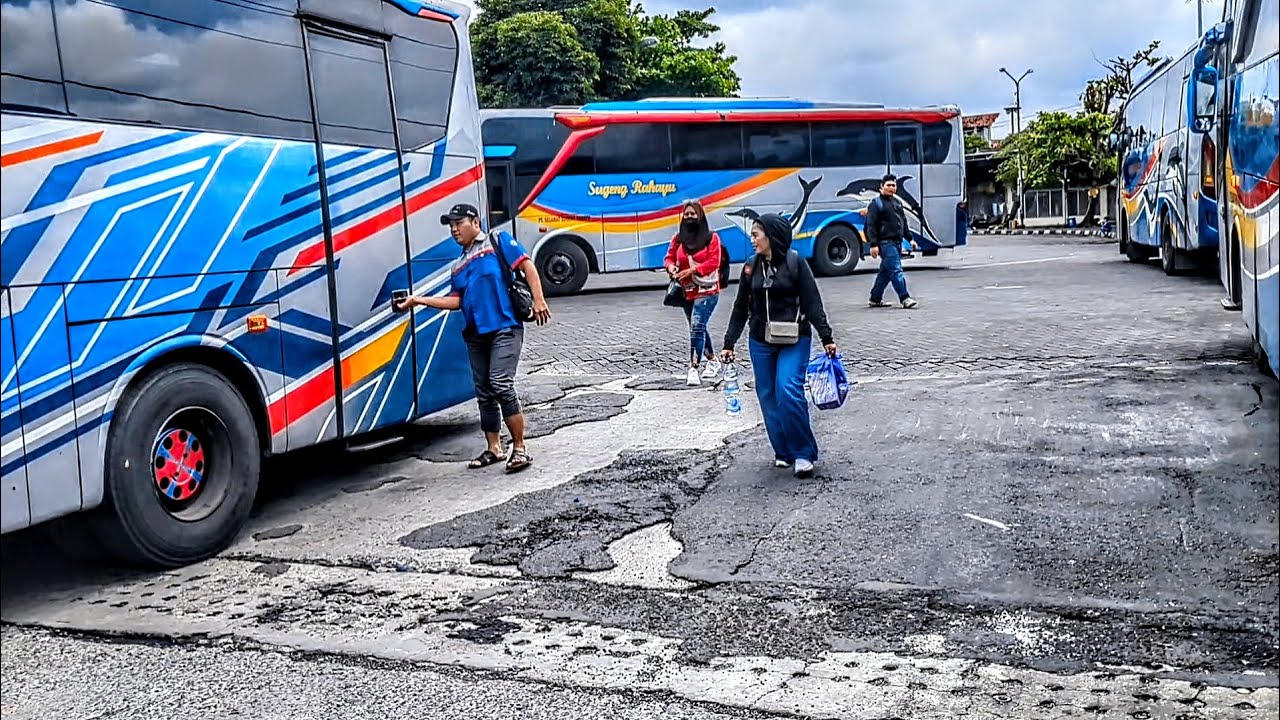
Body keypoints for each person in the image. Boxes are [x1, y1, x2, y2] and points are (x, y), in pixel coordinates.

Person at [395, 203, 551, 474]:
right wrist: (417, 299)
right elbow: (456, 301)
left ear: (475, 222)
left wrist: (539, 300)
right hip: (476, 335)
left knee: (500, 383)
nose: (454, 229)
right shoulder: (458, 265)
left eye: (459, 223)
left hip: (505, 326)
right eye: (450, 225)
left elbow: (527, 266)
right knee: (484, 393)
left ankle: (520, 447)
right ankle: (494, 448)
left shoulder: (498, 241)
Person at [721, 213, 837, 479]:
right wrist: (729, 342)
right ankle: (783, 451)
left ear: (771, 237)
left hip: (795, 338)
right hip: (760, 340)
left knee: (787, 390)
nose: (752, 240)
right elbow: (740, 307)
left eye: (756, 235)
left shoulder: (796, 263)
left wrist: (826, 337)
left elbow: (812, 303)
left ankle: (804, 452)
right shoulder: (751, 267)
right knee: (768, 396)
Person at [665, 200, 725, 386]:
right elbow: (668, 257)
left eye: (693, 214)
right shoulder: (678, 239)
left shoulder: (711, 238)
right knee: (697, 327)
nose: (690, 218)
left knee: (697, 326)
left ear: (700, 216)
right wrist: (671, 267)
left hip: (707, 290)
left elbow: (713, 262)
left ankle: (693, 367)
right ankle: (713, 360)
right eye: (687, 214)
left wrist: (691, 271)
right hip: (686, 291)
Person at [864, 173, 919, 309]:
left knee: (885, 273)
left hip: (897, 242)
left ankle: (875, 299)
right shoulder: (876, 204)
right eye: (888, 185)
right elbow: (870, 225)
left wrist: (910, 239)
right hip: (885, 243)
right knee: (896, 270)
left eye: (894, 185)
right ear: (881, 187)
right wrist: (873, 245)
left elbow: (903, 223)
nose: (891, 188)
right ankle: (905, 298)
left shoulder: (897, 202)